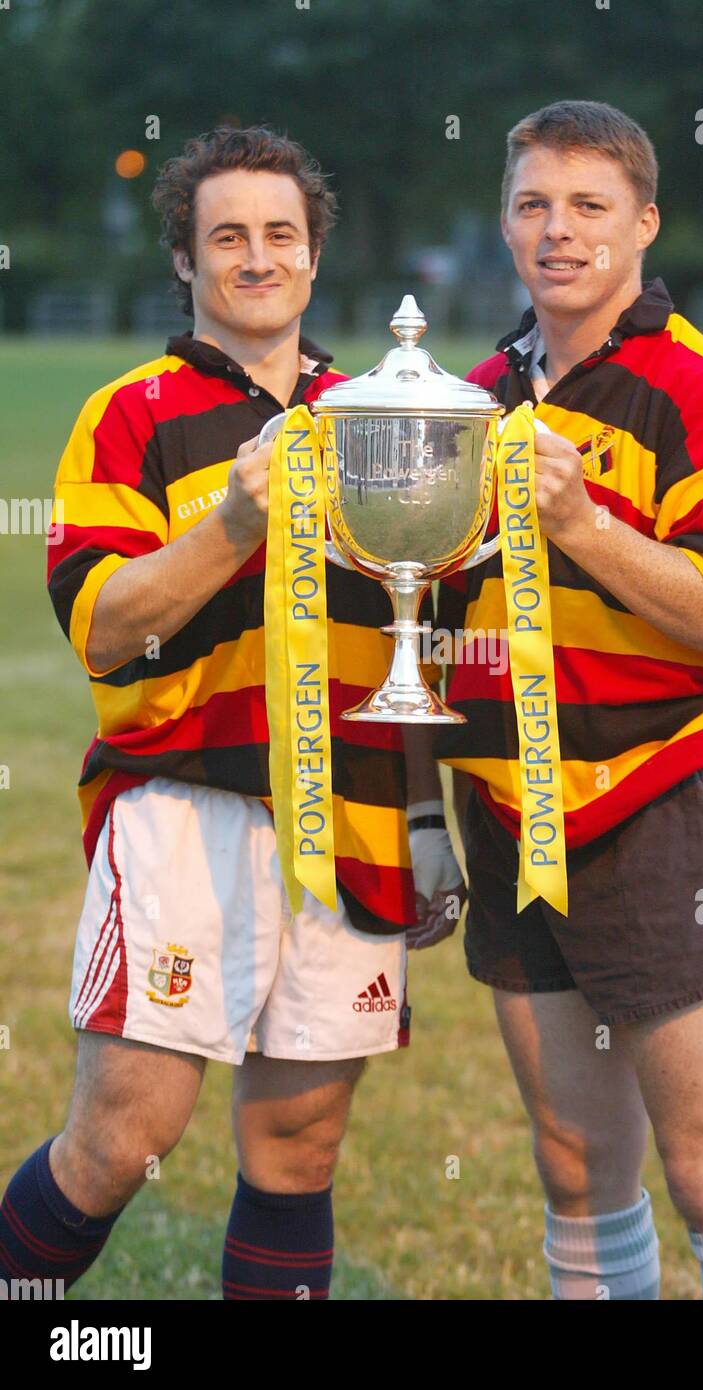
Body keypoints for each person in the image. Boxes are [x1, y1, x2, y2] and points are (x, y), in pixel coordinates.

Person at [0, 125, 463, 1301]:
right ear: (184, 261)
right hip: (183, 812)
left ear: (313, 259)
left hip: (351, 817)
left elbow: (412, 629)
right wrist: (233, 526)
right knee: (123, 1139)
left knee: (298, 1148)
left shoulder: (378, 415)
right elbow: (103, 623)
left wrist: (423, 819)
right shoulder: (129, 414)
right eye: (226, 237)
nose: (255, 258)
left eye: (279, 235)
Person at [436, 100, 703, 1300]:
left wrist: (581, 526)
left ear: (643, 223)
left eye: (589, 206)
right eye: (534, 204)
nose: (558, 231)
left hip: (659, 802)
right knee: (576, 1165)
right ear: (504, 223)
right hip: (507, 811)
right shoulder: (473, 397)